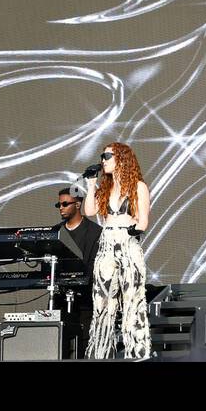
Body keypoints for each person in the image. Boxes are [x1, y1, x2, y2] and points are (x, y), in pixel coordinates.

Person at [79, 143, 151, 359]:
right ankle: (101, 352)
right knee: (102, 300)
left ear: (121, 158)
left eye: (107, 155)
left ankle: (136, 352)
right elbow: (89, 211)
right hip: (107, 242)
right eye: (102, 156)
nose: (103, 160)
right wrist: (91, 185)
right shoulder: (106, 188)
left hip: (127, 242)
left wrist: (132, 229)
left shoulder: (138, 187)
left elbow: (143, 221)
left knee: (132, 299)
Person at [55, 185, 100, 357]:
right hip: (59, 300)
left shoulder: (95, 232)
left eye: (65, 204)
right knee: (60, 343)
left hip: (86, 301)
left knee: (84, 344)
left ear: (78, 204)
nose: (61, 208)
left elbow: (95, 265)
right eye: (58, 205)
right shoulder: (56, 232)